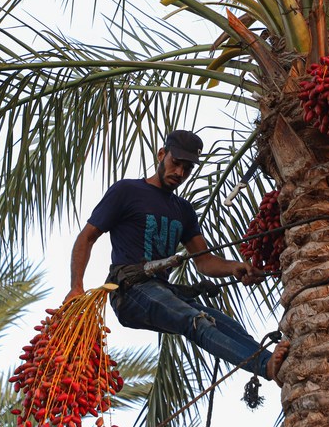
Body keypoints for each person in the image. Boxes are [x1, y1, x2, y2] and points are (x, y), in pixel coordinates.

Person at [66, 130, 289, 383]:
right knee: (195, 322)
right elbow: (87, 237)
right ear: (161, 155)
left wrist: (236, 267)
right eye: (176, 164)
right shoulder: (126, 191)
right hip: (129, 291)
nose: (180, 173)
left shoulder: (183, 210)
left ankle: (272, 363)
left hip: (164, 292)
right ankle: (265, 365)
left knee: (228, 325)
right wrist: (76, 287)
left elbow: (204, 261)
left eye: (187, 168)